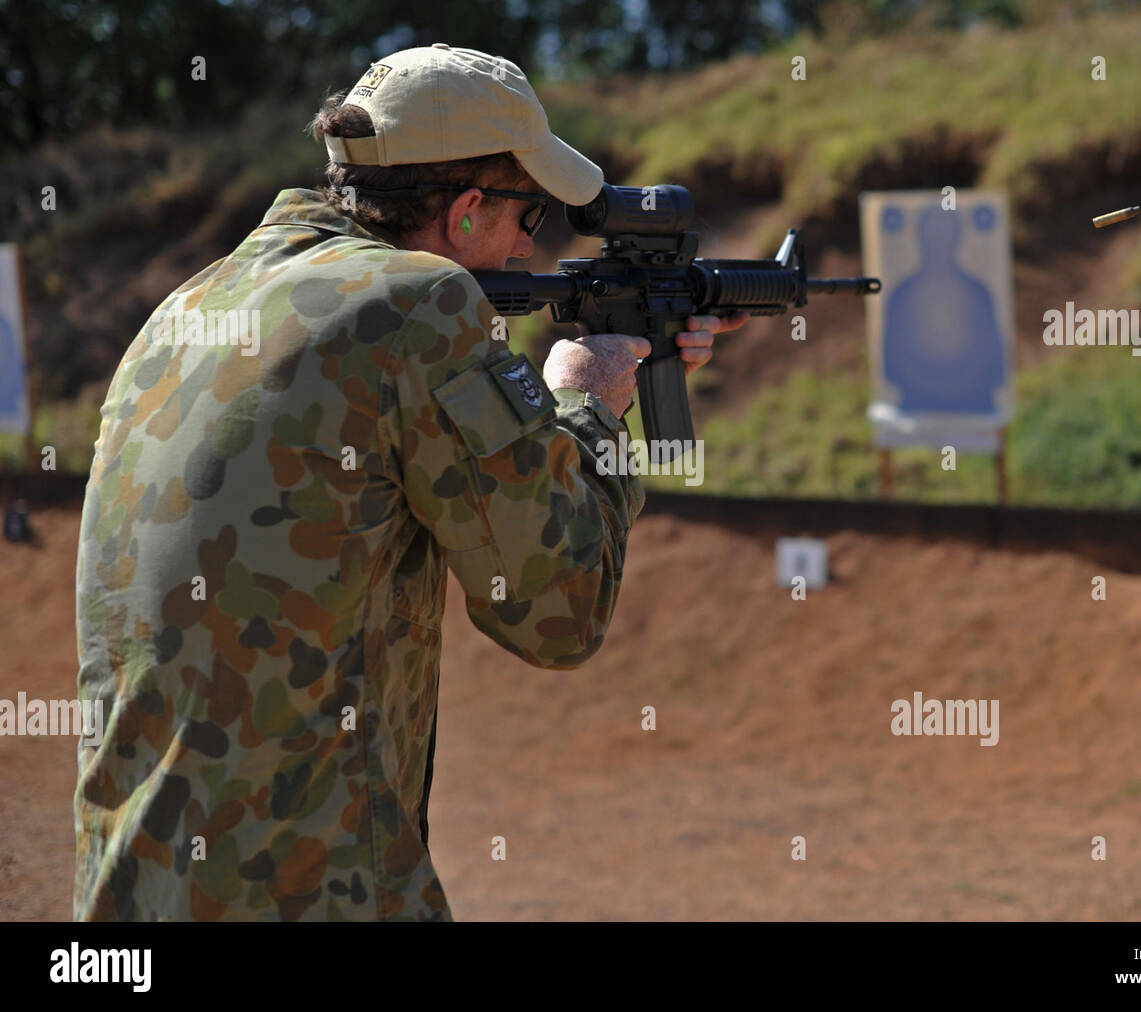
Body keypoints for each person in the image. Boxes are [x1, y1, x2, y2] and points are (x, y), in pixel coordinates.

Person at [73, 43, 747, 921]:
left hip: (125, 903)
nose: (525, 246)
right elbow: (558, 611)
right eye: (529, 216)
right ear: (468, 213)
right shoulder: (422, 302)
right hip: (305, 892)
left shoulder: (189, 306)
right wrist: (588, 406)